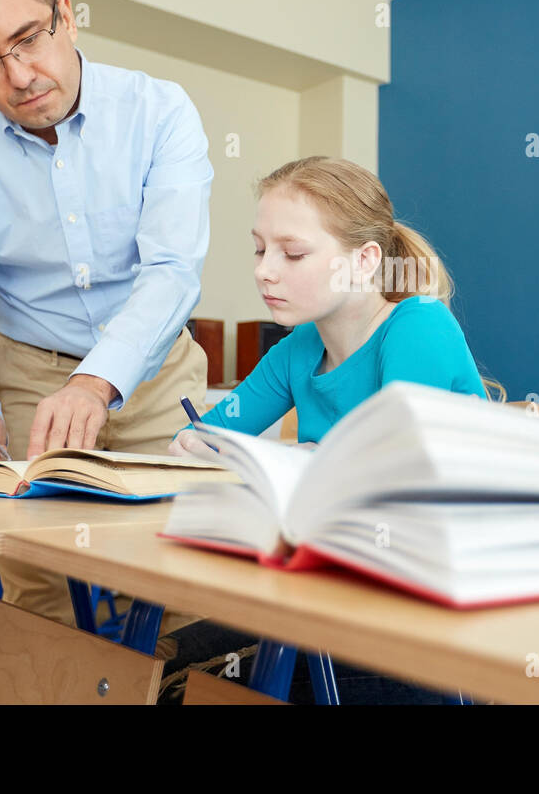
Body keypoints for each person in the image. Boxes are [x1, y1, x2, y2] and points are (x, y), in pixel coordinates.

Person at [0, 0, 211, 641]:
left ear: (66, 15)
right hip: (29, 378)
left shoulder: (161, 111)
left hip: (158, 370)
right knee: (36, 587)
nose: (18, 77)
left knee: (195, 582)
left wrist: (97, 381)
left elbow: (171, 272)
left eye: (29, 38)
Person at [162, 155, 489, 702]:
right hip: (332, 590)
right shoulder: (297, 349)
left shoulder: (418, 326)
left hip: (430, 618)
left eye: (292, 253)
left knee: (185, 686)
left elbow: (390, 471)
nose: (265, 270)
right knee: (156, 659)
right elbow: (200, 439)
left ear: (363, 263)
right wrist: (208, 446)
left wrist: (292, 461)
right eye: (260, 249)